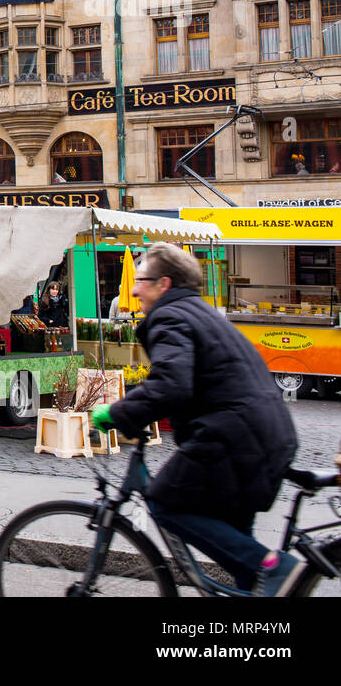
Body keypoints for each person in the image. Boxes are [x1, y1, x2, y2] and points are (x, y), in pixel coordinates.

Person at [92, 243, 300, 596]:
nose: (134, 288)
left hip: (233, 437)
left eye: (141, 280)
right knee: (243, 564)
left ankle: (274, 565)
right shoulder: (199, 312)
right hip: (265, 435)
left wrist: (119, 411)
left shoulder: (171, 318)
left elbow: (171, 385)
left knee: (164, 502)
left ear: (165, 284)